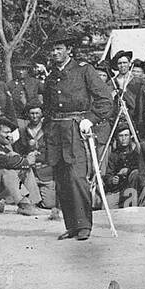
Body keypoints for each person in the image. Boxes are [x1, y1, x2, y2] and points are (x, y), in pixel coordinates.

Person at [42, 31, 114, 241]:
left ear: (69, 50)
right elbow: (47, 108)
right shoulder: (51, 77)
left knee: (77, 178)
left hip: (76, 130)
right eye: (52, 49)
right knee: (62, 179)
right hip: (56, 132)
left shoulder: (84, 70)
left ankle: (84, 225)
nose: (55, 53)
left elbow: (105, 100)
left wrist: (90, 118)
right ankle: (71, 225)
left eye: (59, 49)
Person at [15, 106, 57, 210]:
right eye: (32, 113)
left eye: (37, 113)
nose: (34, 116)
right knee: (29, 204)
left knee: (49, 204)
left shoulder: (48, 130)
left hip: (45, 172)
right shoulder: (23, 131)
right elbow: (18, 151)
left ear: (41, 114)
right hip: (30, 173)